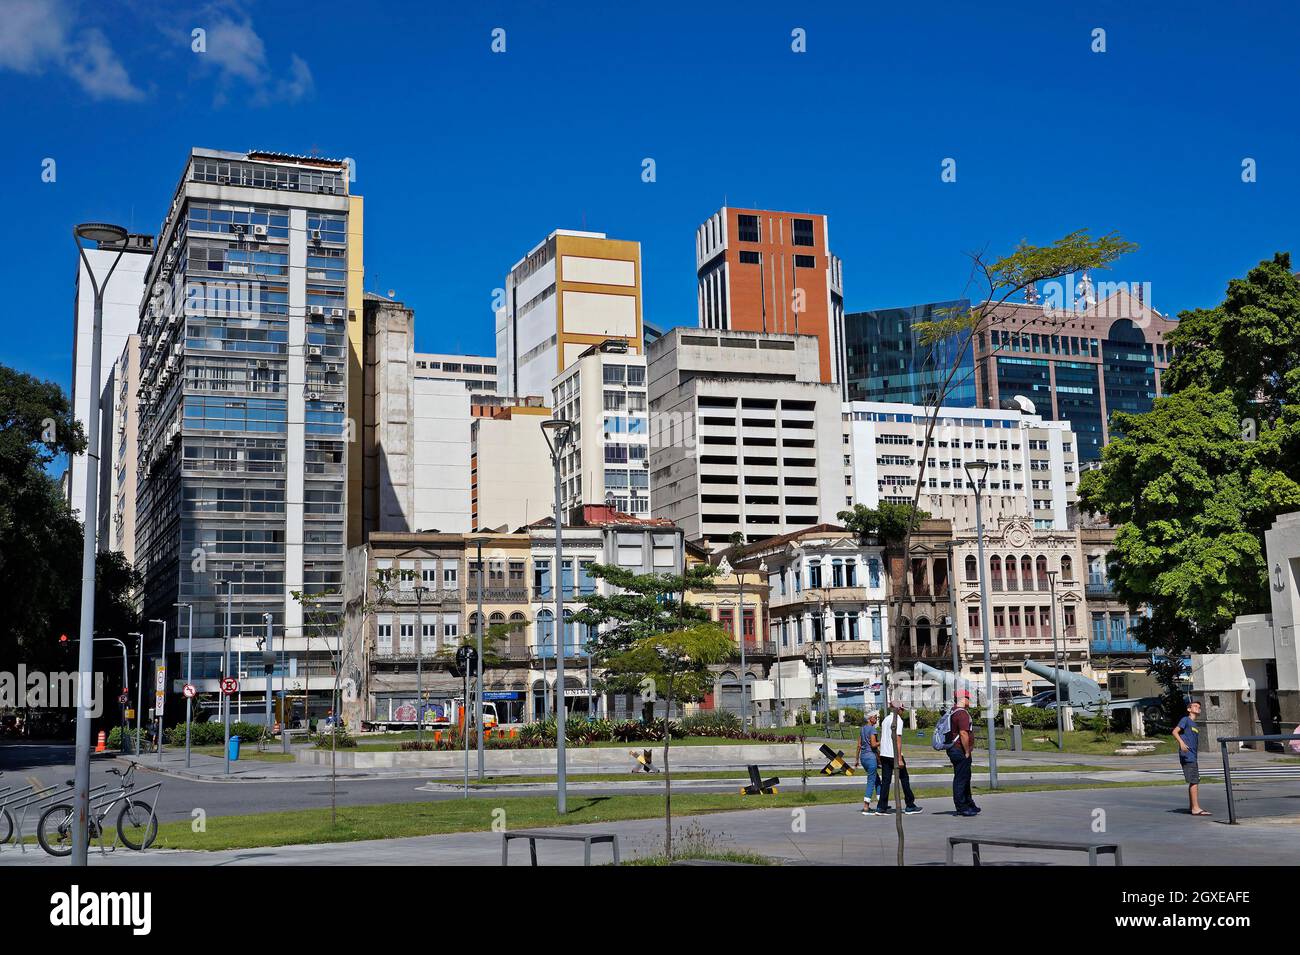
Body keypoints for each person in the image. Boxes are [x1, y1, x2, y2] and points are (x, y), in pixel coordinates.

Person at [877, 700, 922, 815]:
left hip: (884, 753)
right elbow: (898, 739)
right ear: (898, 709)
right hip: (894, 754)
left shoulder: (885, 719)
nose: (902, 712)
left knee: (886, 780)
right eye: (902, 709)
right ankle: (910, 804)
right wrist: (900, 758)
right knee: (904, 778)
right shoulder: (898, 720)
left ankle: (881, 806)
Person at [946, 689, 980, 816]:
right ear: (962, 699)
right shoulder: (962, 714)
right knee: (961, 779)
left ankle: (969, 803)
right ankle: (961, 807)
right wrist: (967, 751)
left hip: (955, 749)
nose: (969, 700)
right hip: (960, 750)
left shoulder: (953, 711)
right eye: (967, 698)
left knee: (965, 777)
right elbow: (963, 733)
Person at [1173, 699, 1210, 816]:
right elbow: (1175, 731)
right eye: (1195, 706)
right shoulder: (1186, 720)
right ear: (1189, 709)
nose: (1198, 708)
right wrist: (1181, 743)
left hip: (1193, 756)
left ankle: (1192, 806)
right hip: (1187, 755)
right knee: (1194, 781)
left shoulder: (1194, 724)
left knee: (1193, 781)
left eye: (1199, 707)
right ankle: (1195, 808)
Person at [856, 711, 882, 815]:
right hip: (871, 758)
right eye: (875, 717)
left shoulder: (862, 729)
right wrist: (883, 741)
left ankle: (881, 803)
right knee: (871, 781)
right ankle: (866, 806)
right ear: (870, 718)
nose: (876, 719)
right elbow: (873, 745)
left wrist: (856, 760)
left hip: (863, 758)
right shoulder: (872, 729)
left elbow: (858, 746)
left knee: (877, 780)